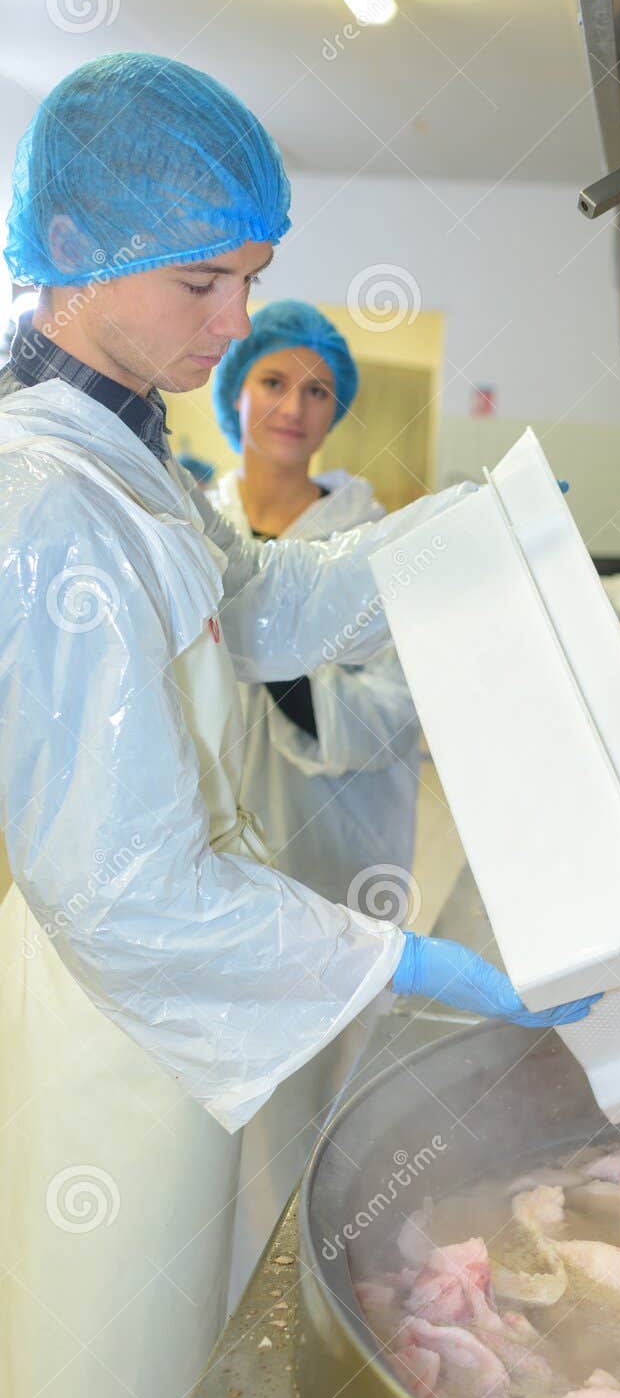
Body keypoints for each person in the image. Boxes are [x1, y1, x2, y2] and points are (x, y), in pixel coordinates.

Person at [0, 51, 596, 1398]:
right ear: (71, 249)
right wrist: (398, 958)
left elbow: (260, 606)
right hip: (118, 1023)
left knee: (180, 1335)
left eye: (253, 282)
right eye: (204, 283)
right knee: (109, 1390)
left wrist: (467, 533)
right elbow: (129, 896)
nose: (236, 324)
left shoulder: (124, 447)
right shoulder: (45, 501)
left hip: (170, 1011)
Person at [208, 300, 422, 1305]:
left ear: (337, 411)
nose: (294, 406)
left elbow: (397, 707)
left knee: (310, 1079)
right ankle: (209, 1280)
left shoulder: (370, 541)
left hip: (333, 844)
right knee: (215, 1087)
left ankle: (293, 1289)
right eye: (273, 381)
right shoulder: (190, 522)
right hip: (207, 851)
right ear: (234, 392)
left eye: (318, 389)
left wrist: (270, 655)